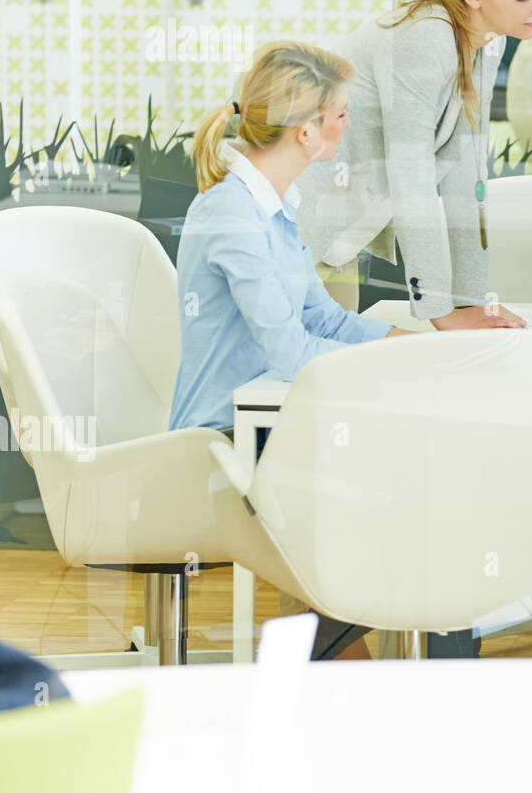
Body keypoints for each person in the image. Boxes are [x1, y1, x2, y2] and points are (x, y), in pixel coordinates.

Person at [169, 40, 448, 661]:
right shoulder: (233, 217)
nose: (348, 125)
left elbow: (321, 316)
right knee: (380, 486)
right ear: (304, 132)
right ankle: (326, 668)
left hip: (278, 420)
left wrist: (402, 344)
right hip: (224, 438)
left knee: (407, 475)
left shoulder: (275, 206)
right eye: (340, 115)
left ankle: (332, 663)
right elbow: (292, 349)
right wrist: (381, 370)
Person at [298, 0, 532, 326]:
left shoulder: (488, 42)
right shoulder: (427, 38)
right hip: (302, 229)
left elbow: (466, 173)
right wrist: (439, 309)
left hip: (339, 240)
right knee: (294, 380)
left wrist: (471, 302)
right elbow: (410, 172)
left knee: (333, 377)